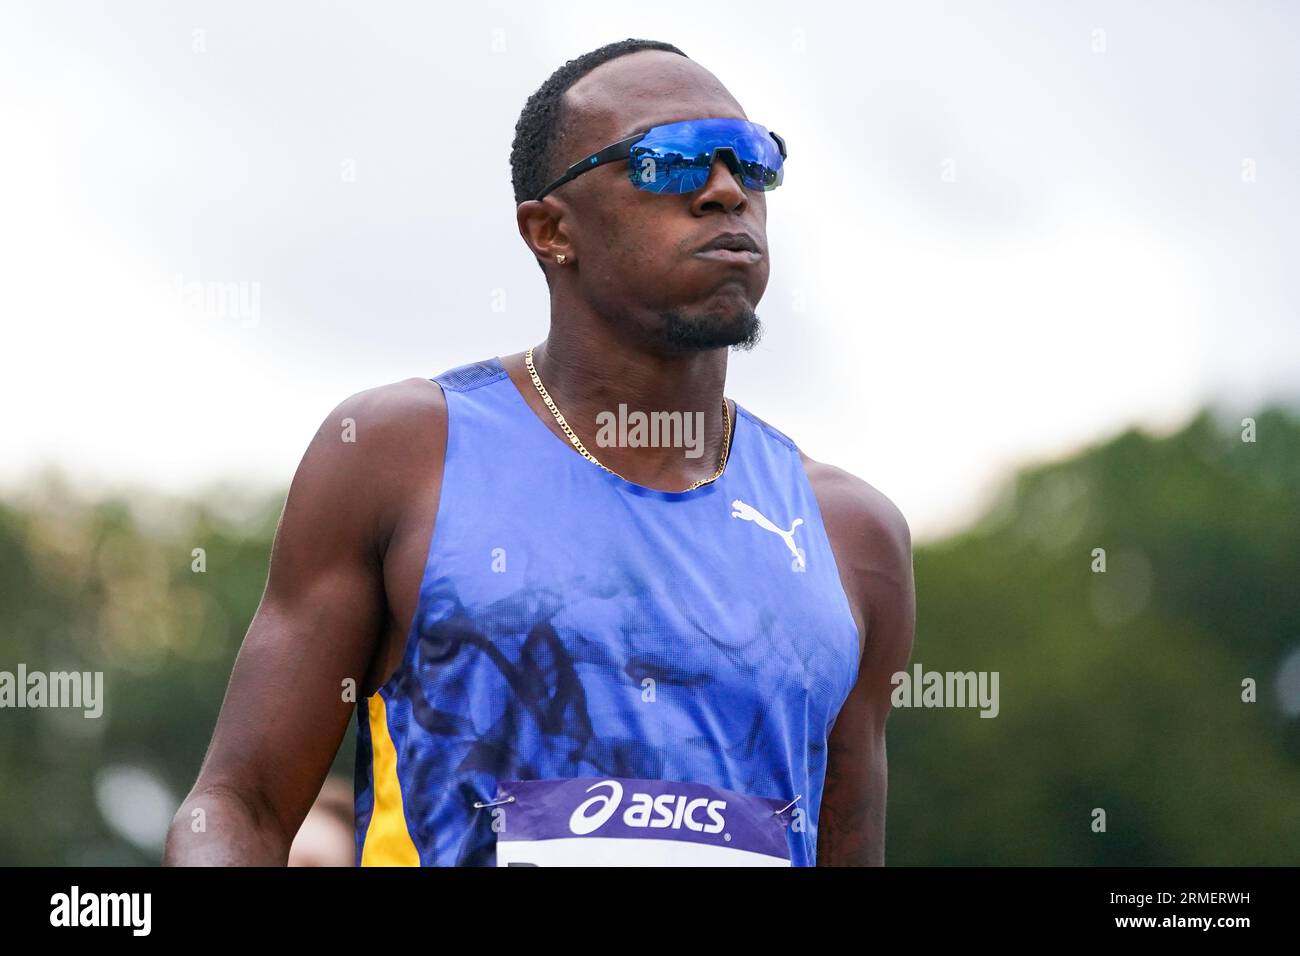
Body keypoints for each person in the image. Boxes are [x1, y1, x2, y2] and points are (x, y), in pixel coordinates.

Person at [164, 37, 915, 867]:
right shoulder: (401, 455)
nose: (727, 191)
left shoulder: (850, 534)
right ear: (551, 229)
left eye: (753, 159)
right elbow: (239, 809)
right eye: (672, 163)